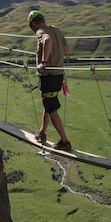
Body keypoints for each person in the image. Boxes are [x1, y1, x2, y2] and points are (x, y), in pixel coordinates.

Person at [28, 10, 72, 152]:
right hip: (59, 75)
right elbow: (66, 49)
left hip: (49, 76)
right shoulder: (56, 30)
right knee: (49, 104)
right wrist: (55, 56)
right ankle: (42, 133)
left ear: (34, 23)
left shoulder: (41, 32)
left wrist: (44, 62)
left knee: (52, 110)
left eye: (32, 27)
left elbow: (47, 40)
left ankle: (65, 141)